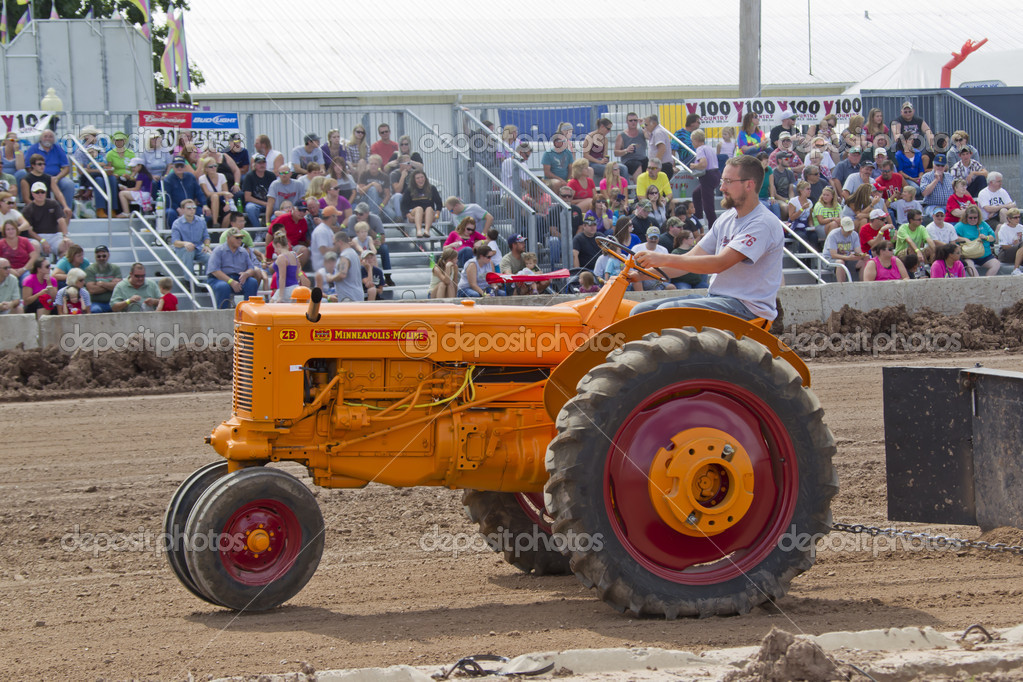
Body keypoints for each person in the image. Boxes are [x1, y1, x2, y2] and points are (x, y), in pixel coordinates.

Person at [630, 155, 782, 321]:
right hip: (719, 299)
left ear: (749, 185)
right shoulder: (726, 218)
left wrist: (662, 258)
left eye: (728, 182)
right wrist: (641, 274)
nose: (722, 187)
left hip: (747, 308)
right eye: (722, 181)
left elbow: (719, 264)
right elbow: (688, 261)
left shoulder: (762, 223)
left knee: (667, 311)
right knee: (640, 311)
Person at [18, 129, 75, 213]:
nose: (48, 138)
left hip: (56, 177)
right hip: (38, 177)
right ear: (40, 138)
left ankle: (65, 210)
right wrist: (39, 175)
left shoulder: (58, 148)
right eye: (45, 136)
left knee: (69, 184)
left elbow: (66, 168)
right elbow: (28, 167)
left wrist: (57, 178)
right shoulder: (33, 148)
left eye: (50, 136)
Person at [208, 227, 262, 309]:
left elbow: (251, 268)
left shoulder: (243, 251)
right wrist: (230, 281)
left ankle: (248, 311)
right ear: (228, 238)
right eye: (237, 237)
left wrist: (246, 274)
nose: (240, 240)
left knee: (252, 282)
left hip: (238, 277)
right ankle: (223, 312)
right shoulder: (219, 250)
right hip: (219, 279)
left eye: (241, 238)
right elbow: (215, 271)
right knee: (223, 286)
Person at [22, 181, 70, 259]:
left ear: (46, 193)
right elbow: (29, 230)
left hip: (54, 236)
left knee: (68, 244)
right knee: (34, 247)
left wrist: (65, 236)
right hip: (37, 237)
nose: (40, 194)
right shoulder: (28, 209)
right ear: (32, 194)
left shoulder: (53, 204)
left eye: (42, 192)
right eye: (37, 192)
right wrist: (42, 240)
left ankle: (62, 268)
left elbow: (61, 220)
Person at [163, 156, 209, 228]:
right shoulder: (168, 180)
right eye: (177, 166)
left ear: (185, 167)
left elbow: (199, 192)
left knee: (206, 213)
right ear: (173, 167)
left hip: (191, 206)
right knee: (169, 213)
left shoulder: (191, 177)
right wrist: (178, 209)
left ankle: (201, 234)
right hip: (175, 207)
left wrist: (204, 205)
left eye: (181, 166)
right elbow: (168, 199)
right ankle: (171, 235)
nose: (179, 168)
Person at [955, 206, 1000, 276]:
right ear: (966, 217)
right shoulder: (960, 226)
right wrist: (964, 239)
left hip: (985, 256)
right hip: (969, 255)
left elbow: (993, 237)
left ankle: (986, 282)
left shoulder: (983, 224)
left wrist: (986, 237)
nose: (973, 219)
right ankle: (978, 282)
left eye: (975, 217)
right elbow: (953, 237)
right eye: (970, 218)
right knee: (969, 266)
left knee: (996, 264)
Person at [688, 130, 719, 228]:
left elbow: (703, 164)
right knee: (696, 194)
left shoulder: (700, 149)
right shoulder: (709, 148)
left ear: (696, 140)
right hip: (716, 174)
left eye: (692, 141)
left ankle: (712, 227)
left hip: (707, 177)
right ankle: (699, 218)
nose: (692, 144)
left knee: (708, 205)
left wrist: (694, 165)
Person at [170, 199, 212, 274]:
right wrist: (185, 243)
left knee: (210, 256)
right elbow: (175, 242)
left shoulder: (201, 221)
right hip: (182, 250)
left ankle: (207, 280)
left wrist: (206, 246)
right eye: (189, 208)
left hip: (198, 248)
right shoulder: (177, 223)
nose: (192, 210)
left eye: (194, 208)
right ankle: (189, 280)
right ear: (183, 209)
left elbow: (206, 237)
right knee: (189, 251)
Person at [399, 170, 442, 239]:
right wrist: (409, 216)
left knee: (429, 208)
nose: (420, 180)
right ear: (414, 180)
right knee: (419, 208)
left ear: (425, 178)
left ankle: (426, 231)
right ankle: (418, 231)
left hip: (428, 214)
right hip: (414, 214)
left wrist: (436, 215)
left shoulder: (432, 188)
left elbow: (439, 203)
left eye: (422, 177)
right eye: (418, 178)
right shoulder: (409, 189)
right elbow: (404, 205)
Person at [823, 217, 867, 282]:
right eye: (847, 230)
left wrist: (862, 255)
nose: (849, 231)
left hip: (847, 258)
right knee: (840, 263)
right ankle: (842, 287)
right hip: (830, 259)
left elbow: (858, 251)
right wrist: (849, 258)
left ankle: (864, 284)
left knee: (864, 261)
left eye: (851, 229)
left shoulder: (854, 234)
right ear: (841, 227)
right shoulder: (833, 235)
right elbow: (833, 255)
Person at [82, 245, 121, 313]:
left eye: (104, 256)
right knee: (95, 310)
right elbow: (92, 290)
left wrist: (102, 283)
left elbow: (119, 286)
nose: (101, 258)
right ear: (95, 257)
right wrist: (111, 284)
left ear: (108, 255)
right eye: (99, 256)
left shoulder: (115, 268)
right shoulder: (90, 270)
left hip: (113, 301)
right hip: (96, 302)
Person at [198, 158, 233, 227]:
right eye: (211, 167)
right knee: (214, 196)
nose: (213, 168)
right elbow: (208, 193)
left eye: (215, 165)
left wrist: (227, 204)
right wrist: (223, 193)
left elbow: (226, 193)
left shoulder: (222, 176)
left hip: (220, 201)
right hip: (209, 202)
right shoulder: (202, 178)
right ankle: (215, 223)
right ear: (206, 169)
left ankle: (222, 232)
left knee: (229, 214)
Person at [614, 112, 647, 180]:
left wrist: (643, 125)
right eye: (631, 120)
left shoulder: (642, 132)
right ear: (627, 122)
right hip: (629, 160)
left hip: (643, 159)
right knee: (637, 165)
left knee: (653, 165)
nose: (633, 122)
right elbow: (616, 152)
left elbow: (649, 137)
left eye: (635, 120)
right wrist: (626, 150)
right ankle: (638, 188)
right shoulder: (621, 135)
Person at [269, 231, 301, 302]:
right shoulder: (294, 255)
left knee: (271, 307)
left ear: (278, 245)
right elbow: (297, 275)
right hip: (295, 288)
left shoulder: (281, 257)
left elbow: (282, 277)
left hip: (286, 289)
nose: (274, 250)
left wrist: (280, 296)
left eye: (274, 248)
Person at [333, 232, 365, 303]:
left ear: (340, 242)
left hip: (348, 297)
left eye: (334, 243)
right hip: (355, 295)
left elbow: (342, 274)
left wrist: (329, 278)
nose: (333, 246)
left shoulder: (345, 256)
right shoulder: (353, 253)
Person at [643, 114, 674, 179]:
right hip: (660, 166)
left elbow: (662, 149)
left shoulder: (658, 133)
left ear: (653, 123)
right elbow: (646, 135)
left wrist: (653, 166)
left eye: (646, 125)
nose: (645, 127)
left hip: (662, 166)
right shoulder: (654, 133)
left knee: (658, 188)